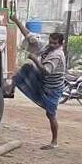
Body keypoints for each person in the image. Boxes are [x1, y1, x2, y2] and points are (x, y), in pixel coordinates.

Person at [12, 21, 67, 150]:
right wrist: (16, 20)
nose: (52, 45)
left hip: (52, 89)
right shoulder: (47, 48)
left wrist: (35, 59)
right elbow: (29, 37)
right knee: (26, 68)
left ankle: (54, 142)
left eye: (55, 43)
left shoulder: (57, 55)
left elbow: (46, 71)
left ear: (60, 44)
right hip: (44, 81)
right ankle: (11, 86)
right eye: (51, 42)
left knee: (51, 115)